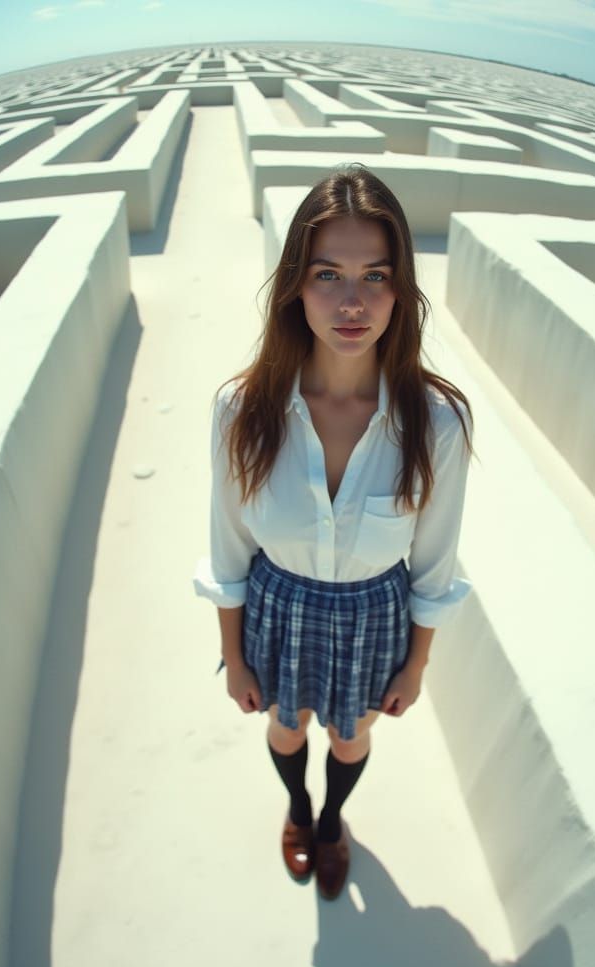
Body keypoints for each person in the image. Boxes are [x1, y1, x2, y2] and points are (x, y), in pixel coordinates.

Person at [193, 165, 473, 900]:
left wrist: (415, 667)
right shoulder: (241, 410)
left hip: (372, 610)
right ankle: (297, 808)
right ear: (295, 285)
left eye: (376, 275)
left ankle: (332, 823)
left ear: (400, 289)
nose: (353, 302)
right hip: (276, 605)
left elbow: (434, 562)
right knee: (286, 729)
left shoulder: (437, 422)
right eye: (328, 274)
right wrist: (234, 657)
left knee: (352, 735)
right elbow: (228, 547)